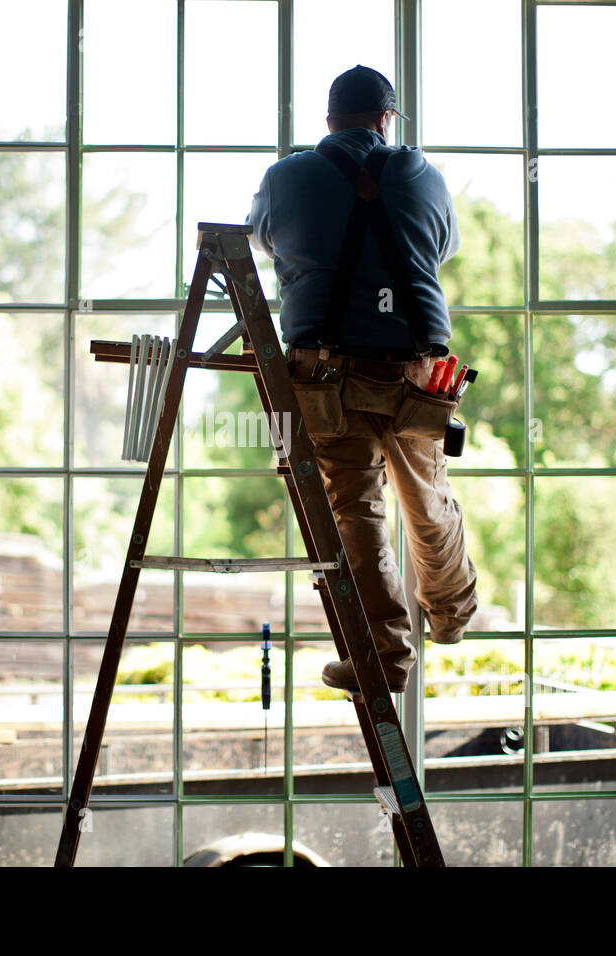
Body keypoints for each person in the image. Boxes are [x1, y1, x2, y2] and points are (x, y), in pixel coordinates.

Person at [246, 65, 478, 695]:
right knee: (427, 495)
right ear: (386, 119)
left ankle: (385, 657)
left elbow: (263, 240)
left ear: (329, 121)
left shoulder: (284, 176)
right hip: (417, 366)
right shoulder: (424, 174)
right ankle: (453, 613)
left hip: (327, 371)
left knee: (359, 512)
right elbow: (441, 247)